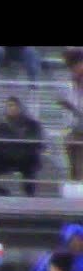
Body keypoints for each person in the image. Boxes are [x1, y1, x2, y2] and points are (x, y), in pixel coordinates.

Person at [0, 96, 44, 196]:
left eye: (15, 105)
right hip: (6, 158)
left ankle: (29, 195)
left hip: (25, 158)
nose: (12, 108)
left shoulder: (32, 124)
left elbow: (37, 144)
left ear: (20, 107)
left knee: (30, 165)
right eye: (9, 106)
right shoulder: (1, 126)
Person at [58, 49, 83, 182]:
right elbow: (63, 106)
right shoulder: (66, 86)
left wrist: (73, 109)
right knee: (73, 168)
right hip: (71, 130)